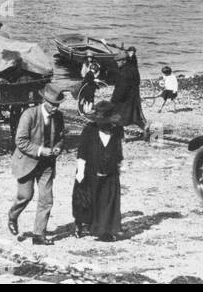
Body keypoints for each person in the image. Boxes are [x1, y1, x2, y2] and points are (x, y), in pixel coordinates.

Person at [9, 85, 66, 245]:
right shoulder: (29, 115)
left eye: (58, 105)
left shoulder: (58, 116)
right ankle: (13, 216)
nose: (56, 108)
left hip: (47, 164)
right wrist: (40, 150)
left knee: (46, 199)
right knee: (25, 196)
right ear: (44, 101)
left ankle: (38, 235)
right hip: (26, 162)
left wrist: (58, 148)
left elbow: (61, 137)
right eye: (53, 104)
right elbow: (20, 141)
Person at [73, 100, 125, 241]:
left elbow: (118, 152)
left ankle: (104, 230)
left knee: (107, 201)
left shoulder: (116, 131)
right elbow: (82, 152)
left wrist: (119, 167)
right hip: (90, 172)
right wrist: (81, 171)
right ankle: (80, 223)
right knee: (86, 201)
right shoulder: (89, 130)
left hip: (110, 172)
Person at [110, 45, 147, 132]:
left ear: (123, 61)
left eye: (118, 62)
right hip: (134, 97)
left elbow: (121, 88)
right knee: (135, 117)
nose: (117, 63)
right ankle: (145, 128)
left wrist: (114, 100)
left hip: (124, 99)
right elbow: (137, 81)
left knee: (117, 115)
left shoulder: (123, 72)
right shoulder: (133, 68)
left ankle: (119, 136)